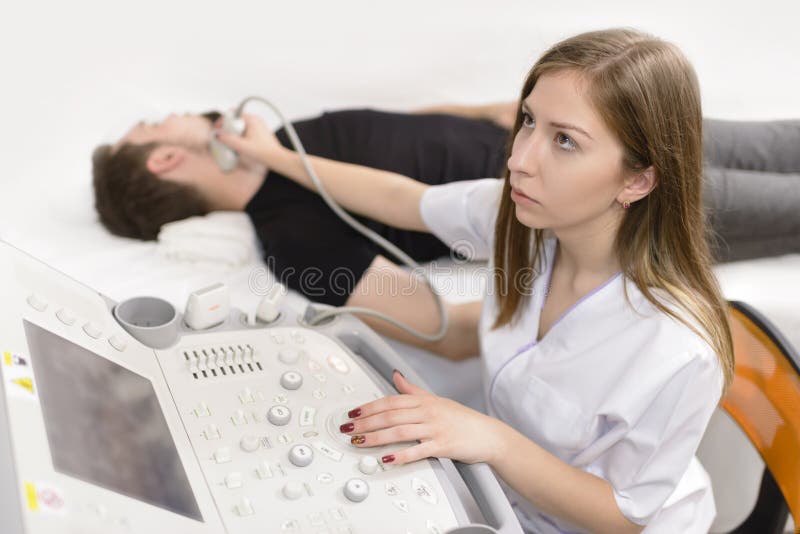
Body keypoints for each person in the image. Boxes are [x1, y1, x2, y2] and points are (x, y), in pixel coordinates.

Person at [213, 28, 735, 533]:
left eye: (566, 142)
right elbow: (400, 199)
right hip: (502, 496)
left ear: (638, 179)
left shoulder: (679, 348)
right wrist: (274, 157)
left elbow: (623, 516)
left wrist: (491, 439)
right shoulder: (518, 221)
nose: (518, 160)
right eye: (529, 121)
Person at [92, 95, 799, 363]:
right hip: (611, 196)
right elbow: (436, 328)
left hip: (609, 127)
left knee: (784, 142)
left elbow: (414, 129)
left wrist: (514, 111)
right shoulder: (292, 239)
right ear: (165, 156)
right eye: (155, 120)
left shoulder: (291, 131)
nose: (174, 110)